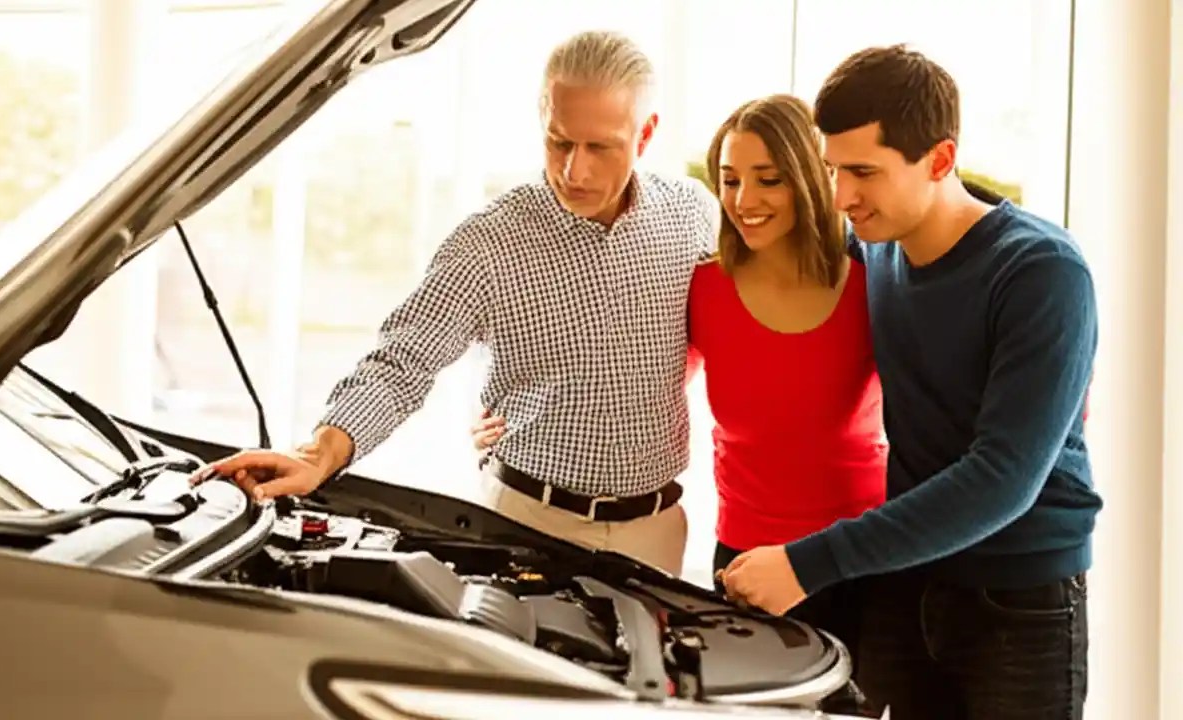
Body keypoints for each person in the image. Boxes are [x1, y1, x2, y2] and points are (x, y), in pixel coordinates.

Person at [193, 30, 719, 577]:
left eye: (599, 147)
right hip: (525, 524)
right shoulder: (488, 242)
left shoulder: (691, 215)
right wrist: (319, 454)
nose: (574, 170)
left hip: (656, 533)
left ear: (646, 135)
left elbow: (743, 326)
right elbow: (403, 361)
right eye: (559, 142)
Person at [718, 45, 1100, 720]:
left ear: (941, 159)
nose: (840, 196)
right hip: (903, 582)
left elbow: (1003, 476)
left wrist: (808, 564)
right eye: (833, 169)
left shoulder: (1043, 273)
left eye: (863, 172)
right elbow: (781, 256)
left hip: (1018, 601)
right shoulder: (875, 244)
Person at [473, 94, 889, 672]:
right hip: (743, 560)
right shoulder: (706, 289)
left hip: (856, 561)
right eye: (730, 180)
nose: (744, 201)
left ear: (810, 178)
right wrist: (513, 413)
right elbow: (631, 374)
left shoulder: (873, 289)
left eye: (768, 180)